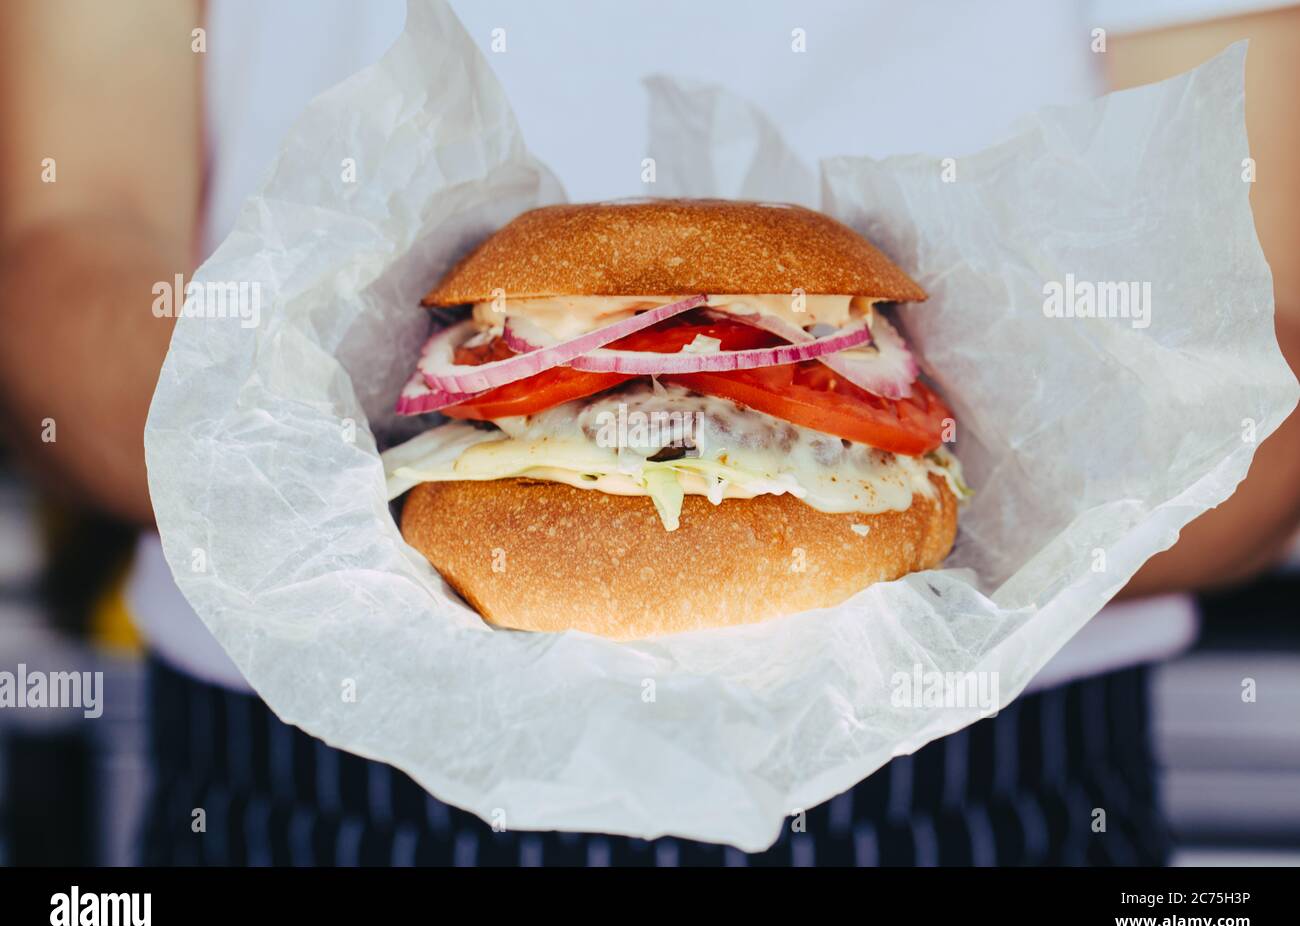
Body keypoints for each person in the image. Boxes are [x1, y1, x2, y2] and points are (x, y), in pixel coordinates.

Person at [2, 0, 1297, 865]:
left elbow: (1255, 329)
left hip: (983, 779)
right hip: (307, 762)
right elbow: (65, 234)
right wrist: (277, 449)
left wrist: (919, 448)